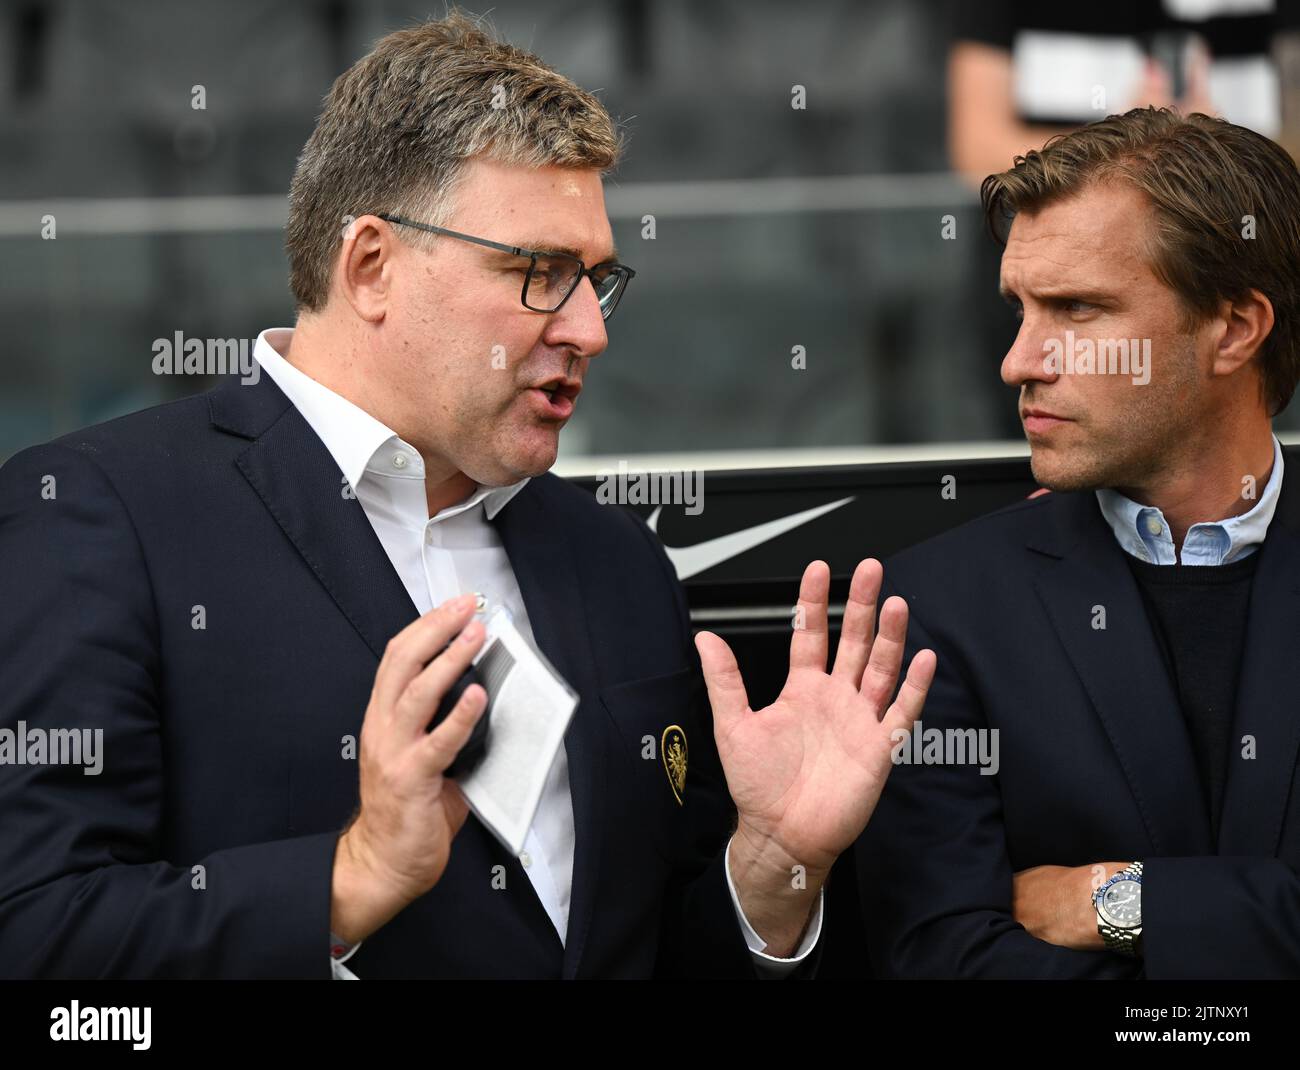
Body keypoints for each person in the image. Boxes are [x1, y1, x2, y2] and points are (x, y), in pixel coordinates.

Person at [0, 11, 934, 979]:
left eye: (596, 281)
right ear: (371, 266)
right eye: (536, 273)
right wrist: (348, 879)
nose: (588, 329)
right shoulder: (97, 515)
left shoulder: (614, 560)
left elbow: (649, 944)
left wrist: (772, 864)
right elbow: (36, 930)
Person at [856, 106, 1300, 978]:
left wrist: (1121, 904)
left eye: (1076, 309)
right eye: (1020, 309)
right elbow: (948, 957)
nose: (1019, 361)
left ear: (1237, 328)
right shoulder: (940, 611)